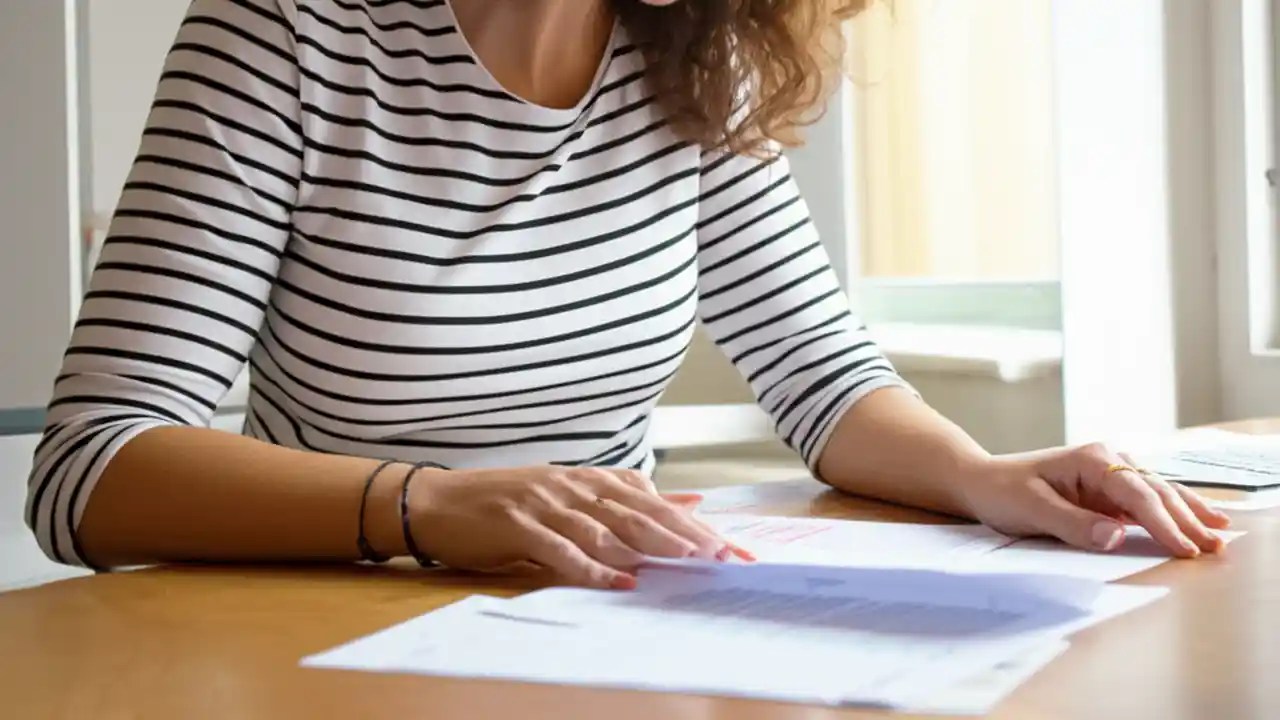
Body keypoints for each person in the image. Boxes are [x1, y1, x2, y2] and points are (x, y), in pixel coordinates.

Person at [27, 0, 1229, 589]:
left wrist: (980, 474)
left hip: (601, 620)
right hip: (325, 626)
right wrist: (425, 506)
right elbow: (92, 469)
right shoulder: (286, 35)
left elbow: (821, 376)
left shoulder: (696, 59)